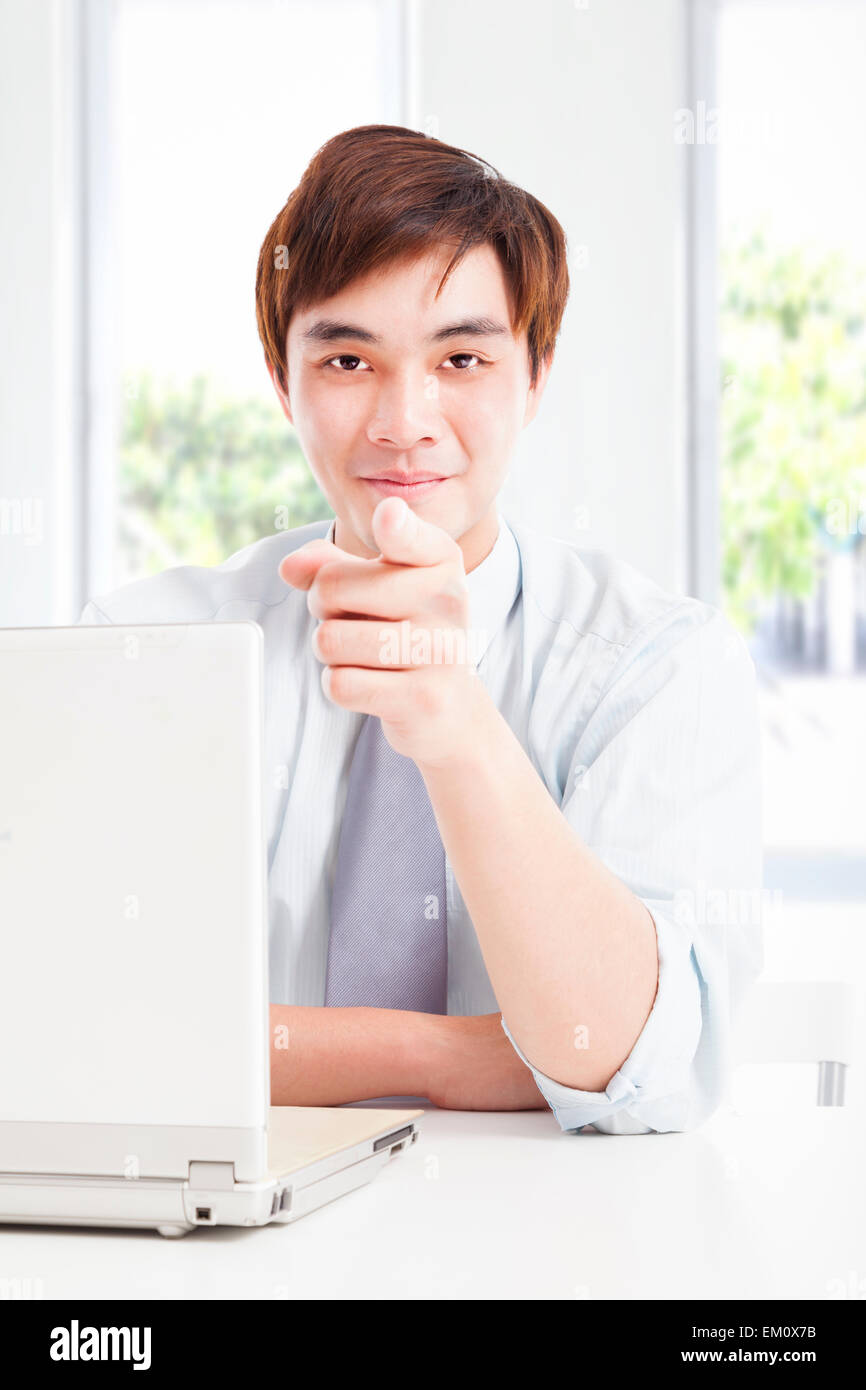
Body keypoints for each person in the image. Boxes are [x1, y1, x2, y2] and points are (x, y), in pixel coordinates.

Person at [79, 124, 762, 1135]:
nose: (405, 419)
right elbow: (86, 1030)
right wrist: (449, 1055)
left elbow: (626, 1064)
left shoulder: (656, 664)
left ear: (533, 376)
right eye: (348, 357)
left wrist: (451, 722)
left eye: (463, 357)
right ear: (282, 380)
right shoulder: (147, 647)